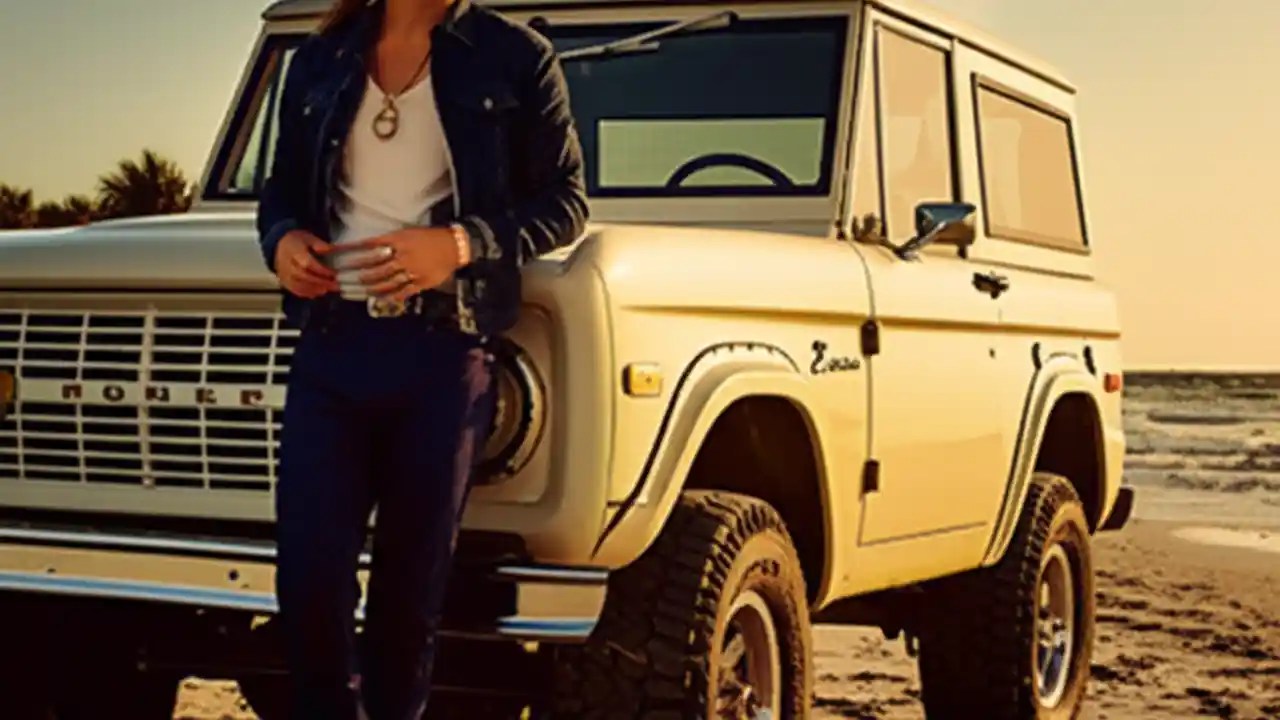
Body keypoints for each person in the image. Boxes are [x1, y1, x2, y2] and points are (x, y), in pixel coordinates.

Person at [253, 0, 588, 716]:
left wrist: (460, 245)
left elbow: (566, 201)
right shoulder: (321, 55)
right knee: (308, 584)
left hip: (443, 351)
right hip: (331, 348)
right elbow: (278, 191)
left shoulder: (516, 56)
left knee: (409, 596)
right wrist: (281, 241)